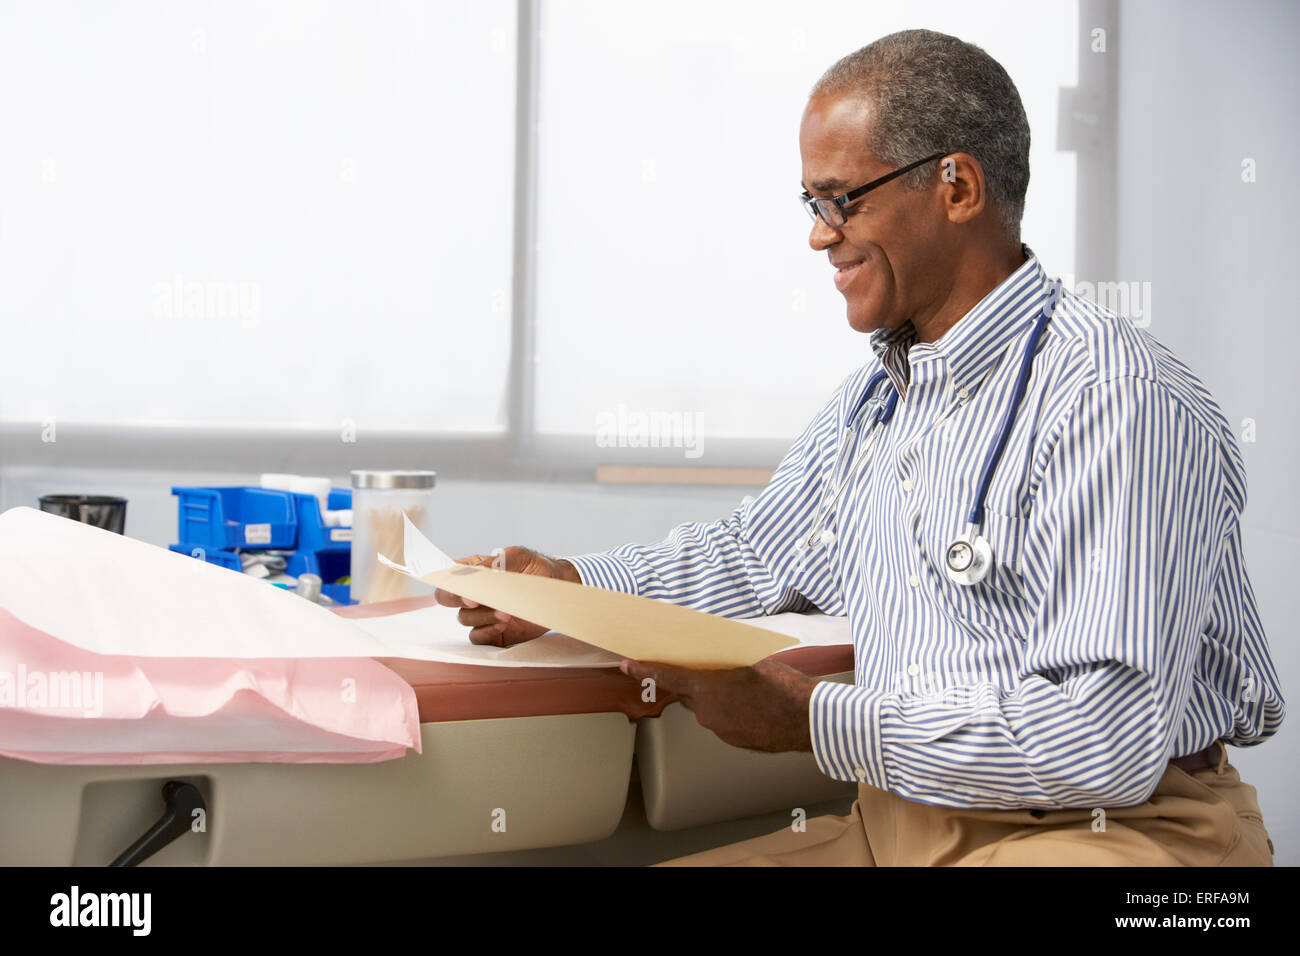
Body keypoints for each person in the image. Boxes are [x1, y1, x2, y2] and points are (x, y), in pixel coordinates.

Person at [435, 29, 1284, 866]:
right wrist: (570, 586)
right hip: (897, 826)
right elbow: (754, 555)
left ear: (958, 187)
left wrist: (810, 719)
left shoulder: (1115, 400)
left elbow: (1103, 741)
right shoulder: (879, 401)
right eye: (812, 204)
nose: (819, 235)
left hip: (1107, 832)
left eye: (842, 199)